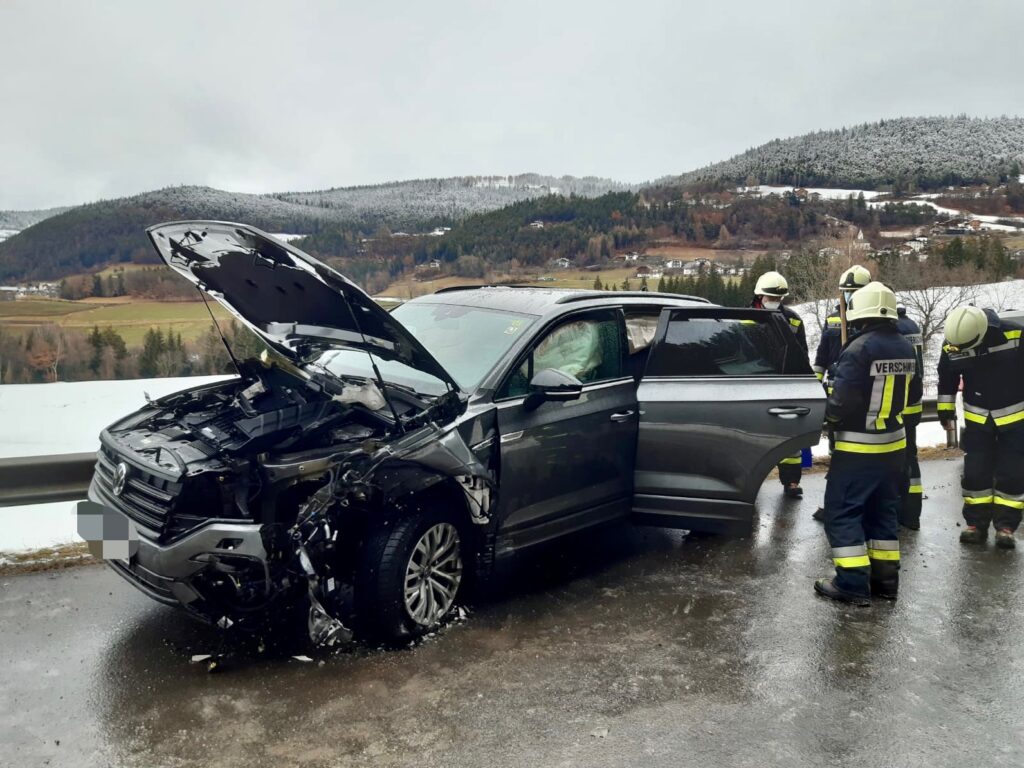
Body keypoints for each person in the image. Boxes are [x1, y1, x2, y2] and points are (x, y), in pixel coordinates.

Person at [815, 282, 915, 605]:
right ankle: (886, 582)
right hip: (894, 448)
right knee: (882, 512)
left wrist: (823, 419)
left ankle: (851, 583)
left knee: (842, 512)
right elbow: (912, 396)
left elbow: (841, 404)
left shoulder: (858, 350)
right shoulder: (906, 347)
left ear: (862, 314)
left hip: (858, 449)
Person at [938, 306, 1024, 549]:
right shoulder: (954, 342)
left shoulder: (1016, 336)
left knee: (1012, 473)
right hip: (977, 419)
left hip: (1016, 419)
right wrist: (945, 410)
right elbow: (946, 377)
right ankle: (975, 524)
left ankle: (1006, 527)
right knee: (975, 473)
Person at [811, 264, 872, 521]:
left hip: (862, 397)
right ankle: (836, 504)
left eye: (854, 291)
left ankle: (861, 504)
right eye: (846, 292)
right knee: (838, 453)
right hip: (837, 395)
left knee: (861, 455)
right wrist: (816, 387)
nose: (849, 296)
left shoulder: (871, 322)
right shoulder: (834, 319)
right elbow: (822, 356)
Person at [751, 270, 808, 498]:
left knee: (791, 438)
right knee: (754, 438)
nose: (774, 303)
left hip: (786, 384)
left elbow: (803, 353)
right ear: (759, 297)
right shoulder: (744, 317)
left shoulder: (793, 319)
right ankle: (752, 484)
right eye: (770, 298)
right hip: (754, 385)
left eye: (777, 299)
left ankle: (792, 481)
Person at [895, 304, 925, 530]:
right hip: (913, 404)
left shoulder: (894, 328)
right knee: (911, 457)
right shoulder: (911, 324)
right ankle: (912, 514)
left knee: (895, 460)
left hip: (896, 407)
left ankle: (897, 510)